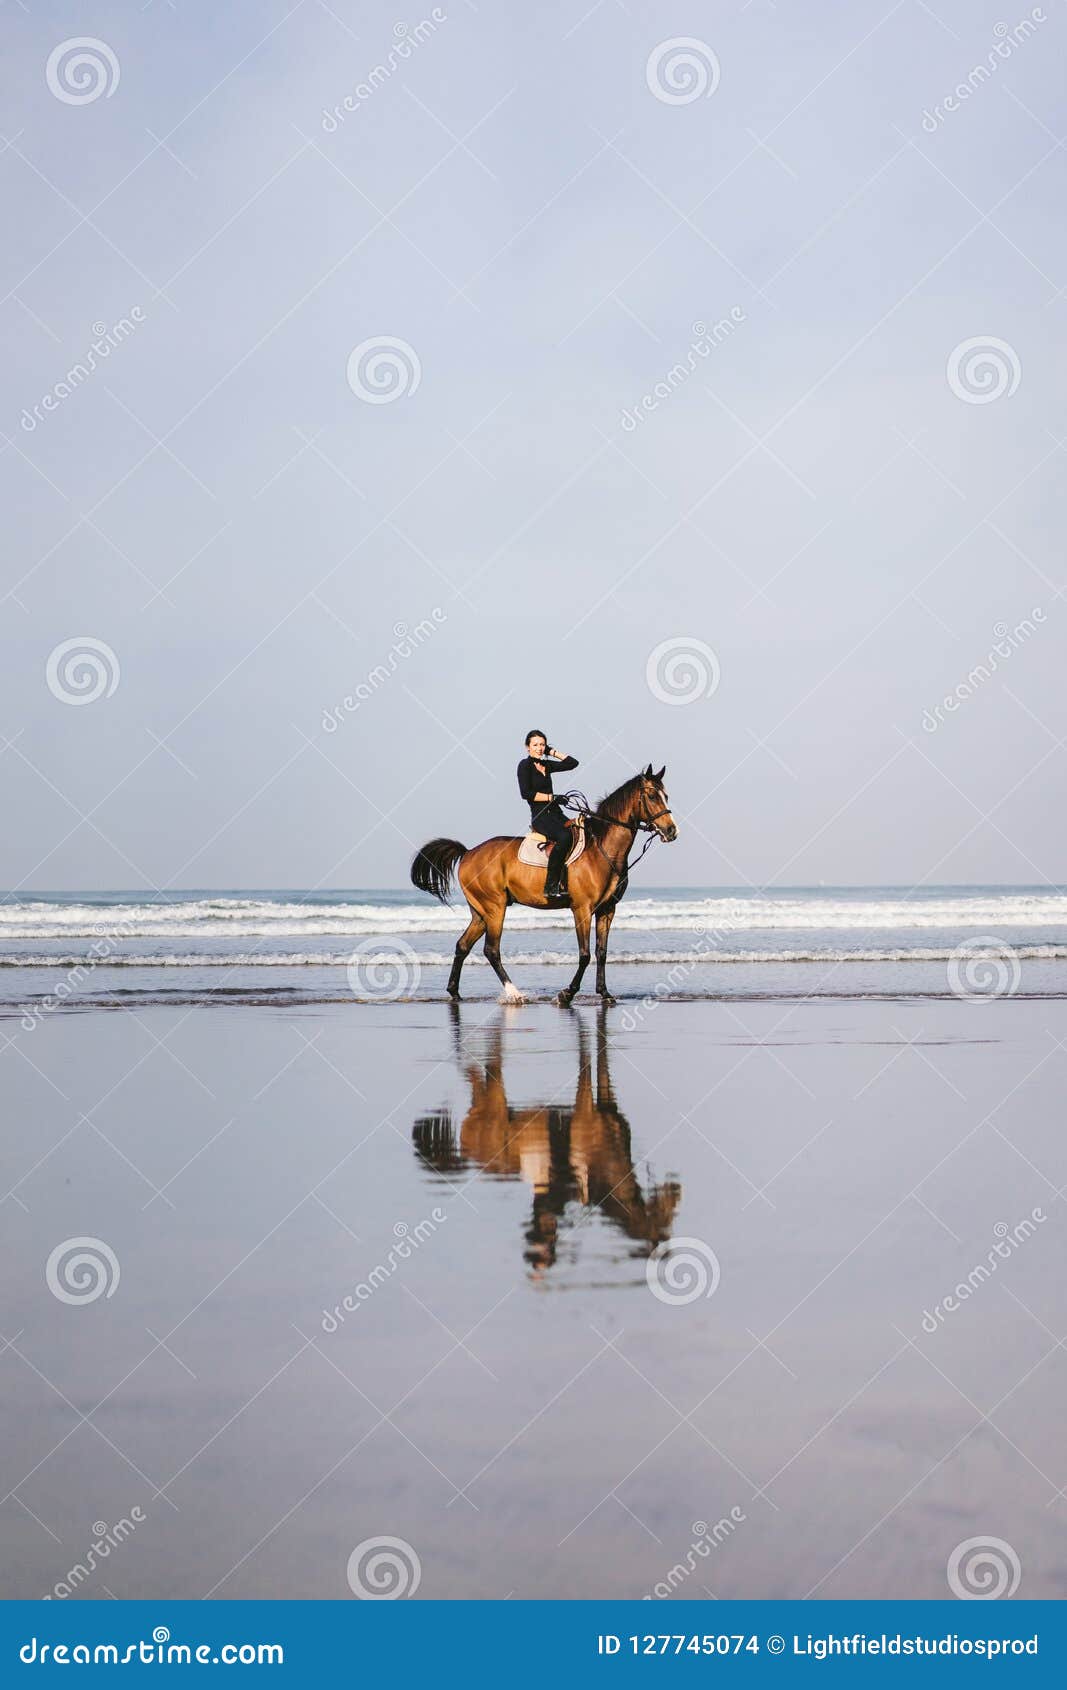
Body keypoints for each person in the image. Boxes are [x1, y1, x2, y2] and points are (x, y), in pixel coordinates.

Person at [517, 730, 579, 898]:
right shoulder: (524, 765)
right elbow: (526, 793)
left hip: (556, 814)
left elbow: (573, 763)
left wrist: (552, 752)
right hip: (540, 816)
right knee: (565, 837)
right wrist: (552, 797)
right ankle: (550, 885)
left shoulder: (547, 765)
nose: (539, 748)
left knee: (578, 832)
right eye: (535, 745)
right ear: (527, 747)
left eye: (542, 745)